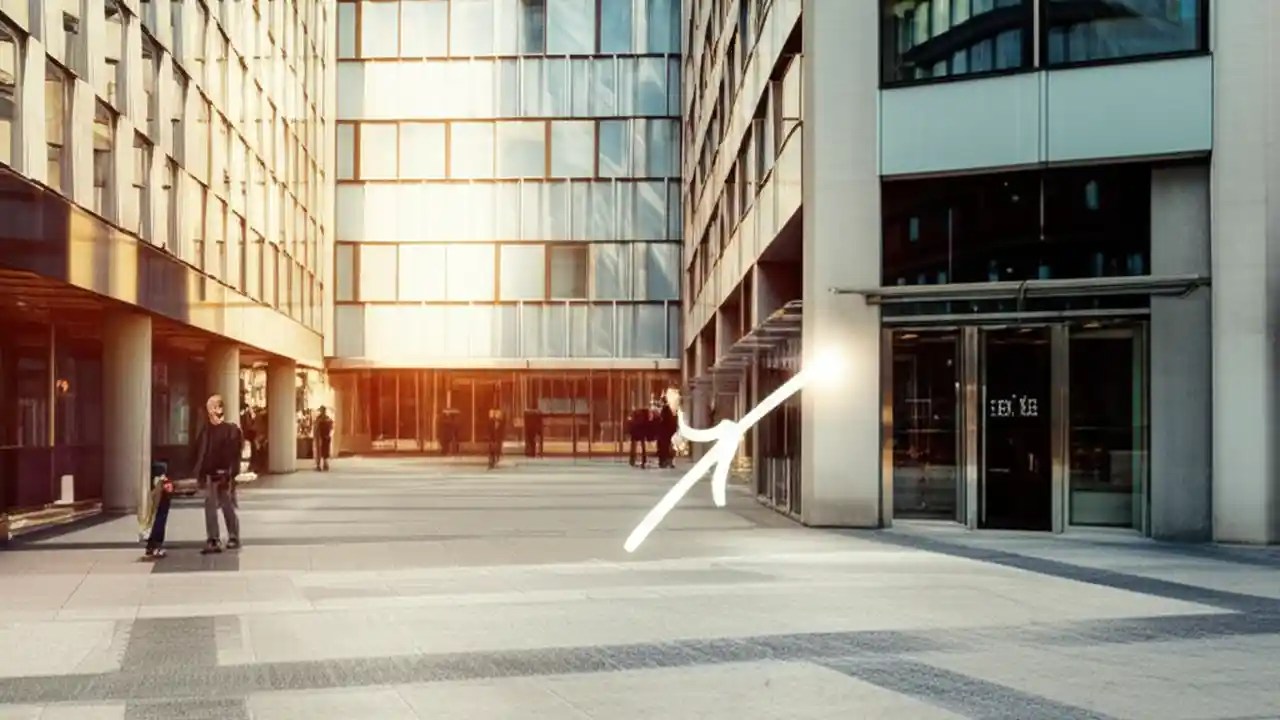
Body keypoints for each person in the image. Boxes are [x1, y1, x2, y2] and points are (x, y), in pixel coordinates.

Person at [192, 394, 244, 554]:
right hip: (209, 474)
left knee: (227, 504)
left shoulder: (231, 430)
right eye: (209, 407)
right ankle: (213, 539)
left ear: (219, 409)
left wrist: (230, 473)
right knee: (210, 506)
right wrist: (199, 473)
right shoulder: (205, 431)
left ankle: (233, 536)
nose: (210, 411)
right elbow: (200, 453)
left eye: (213, 407)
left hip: (224, 475)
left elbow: (234, 454)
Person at [141, 461, 174, 560]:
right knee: (159, 526)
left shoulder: (152, 481)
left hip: (155, 509)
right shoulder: (164, 480)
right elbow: (169, 491)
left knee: (154, 526)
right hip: (162, 507)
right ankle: (156, 547)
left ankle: (151, 547)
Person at [656, 394, 677, 468]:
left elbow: (664, 421)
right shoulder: (667, 410)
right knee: (666, 447)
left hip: (664, 433)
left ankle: (665, 462)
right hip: (666, 433)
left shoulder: (665, 410)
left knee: (664, 448)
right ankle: (667, 461)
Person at [314, 406, 334, 471]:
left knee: (320, 451)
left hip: (321, 437)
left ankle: (320, 465)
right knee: (324, 451)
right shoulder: (327, 419)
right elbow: (331, 427)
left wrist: (316, 436)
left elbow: (316, 428)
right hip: (325, 437)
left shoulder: (319, 419)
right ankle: (324, 464)